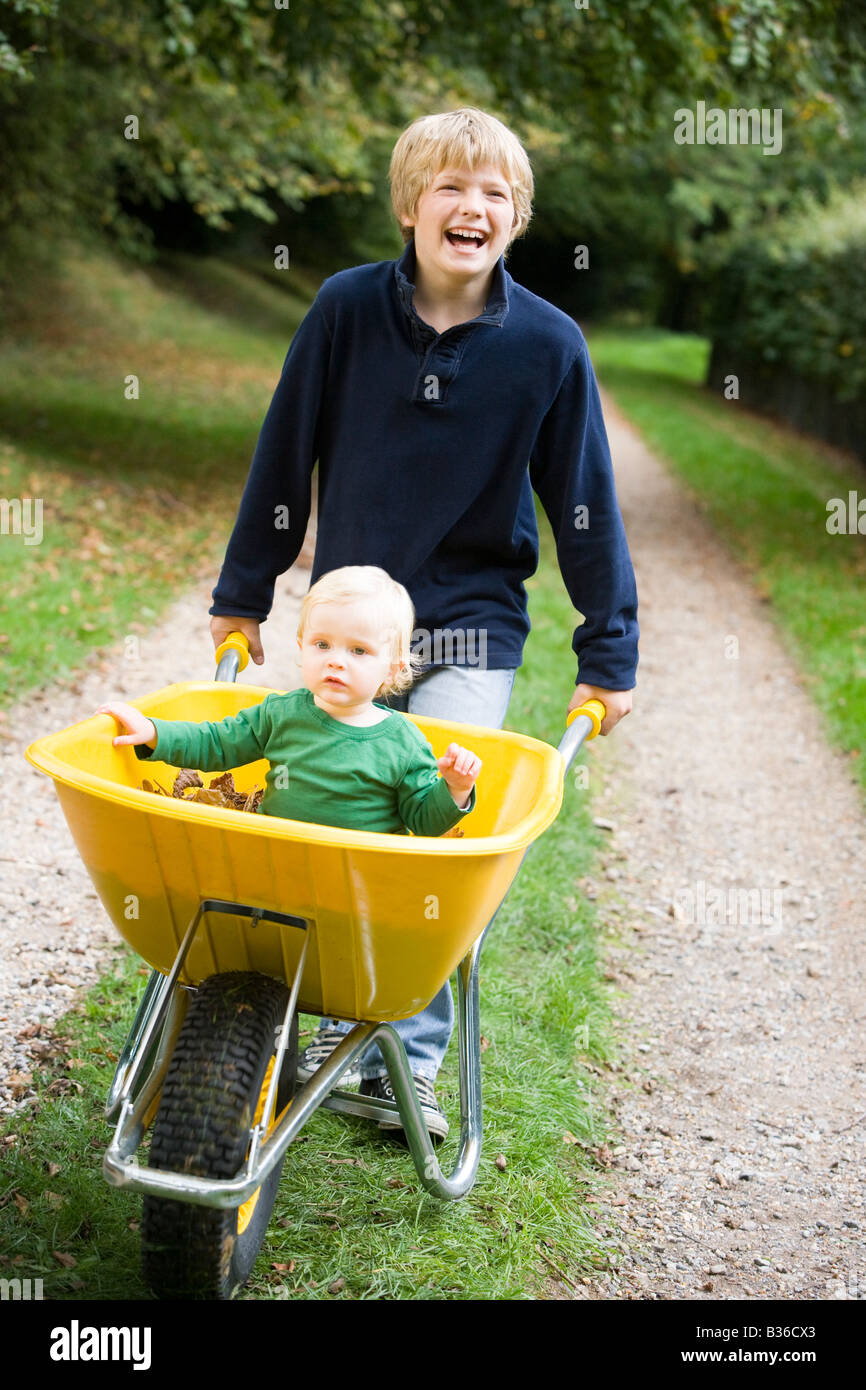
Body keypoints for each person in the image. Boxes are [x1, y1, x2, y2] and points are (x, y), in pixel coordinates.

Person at [207, 106, 639, 1140]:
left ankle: (405, 1057)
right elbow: (283, 454)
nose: (471, 206)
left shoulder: (546, 344)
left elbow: (582, 501)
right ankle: (291, 1012)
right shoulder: (345, 312)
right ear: (409, 206)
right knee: (314, 804)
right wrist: (244, 591)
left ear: (516, 219)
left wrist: (606, 649)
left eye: (494, 193)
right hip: (349, 621)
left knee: (429, 818)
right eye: (450, 186)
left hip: (465, 625)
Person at [97, 566, 481, 839]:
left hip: (359, 879)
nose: (336, 659)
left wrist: (454, 789)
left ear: (392, 668)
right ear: (301, 647)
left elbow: (424, 822)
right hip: (274, 860)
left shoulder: (403, 742)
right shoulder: (281, 714)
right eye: (322, 644)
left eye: (359, 650)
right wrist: (154, 733)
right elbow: (216, 742)